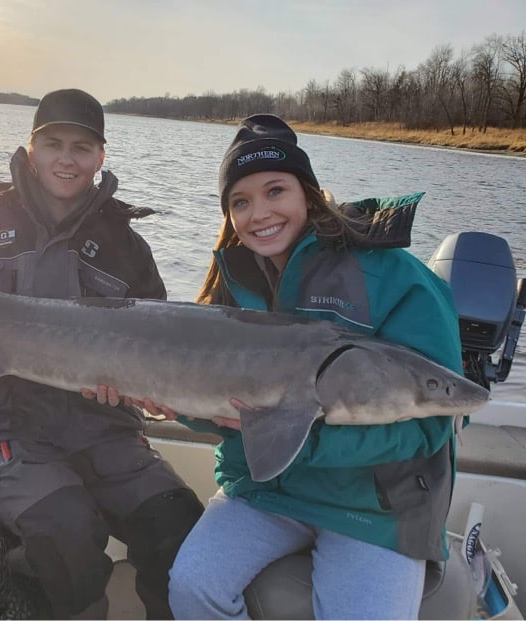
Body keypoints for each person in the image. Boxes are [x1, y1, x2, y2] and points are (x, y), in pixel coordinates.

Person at [0, 89, 203, 619]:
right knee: (65, 532)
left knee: (178, 525)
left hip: (101, 425)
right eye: (53, 144)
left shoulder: (129, 248)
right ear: (31, 150)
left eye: (82, 146)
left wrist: (141, 391)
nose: (66, 159)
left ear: (100, 157)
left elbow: (156, 345)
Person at [129, 114, 463, 619]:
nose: (259, 213)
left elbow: (432, 424)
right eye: (240, 201)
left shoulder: (395, 276)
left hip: (374, 508)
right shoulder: (230, 280)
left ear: (308, 192)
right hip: (266, 490)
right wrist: (169, 402)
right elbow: (222, 413)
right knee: (193, 587)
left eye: (275, 191)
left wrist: (306, 443)